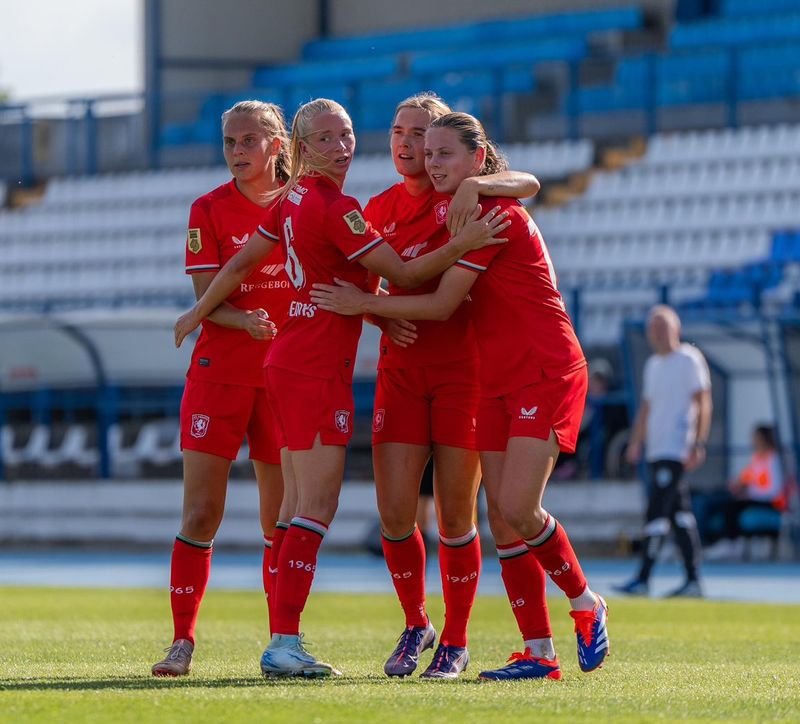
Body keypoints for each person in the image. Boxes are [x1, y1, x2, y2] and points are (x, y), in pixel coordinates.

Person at [173, 98, 511, 678]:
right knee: (315, 508)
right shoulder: (341, 205)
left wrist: (196, 310)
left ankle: (296, 638)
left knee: (293, 512)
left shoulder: (294, 200)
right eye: (327, 139)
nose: (342, 146)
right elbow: (400, 275)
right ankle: (283, 641)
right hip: (316, 367)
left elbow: (248, 262)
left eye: (348, 134)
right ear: (301, 147)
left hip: (291, 362)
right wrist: (465, 242)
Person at [311, 111, 610, 680]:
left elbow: (443, 303)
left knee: (510, 511)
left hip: (533, 370)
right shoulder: (416, 206)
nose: (427, 157)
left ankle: (582, 602)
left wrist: (366, 305)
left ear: (475, 157)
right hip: (489, 378)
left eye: (439, 149)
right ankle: (537, 653)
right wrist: (372, 312)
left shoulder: (485, 211)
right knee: (491, 518)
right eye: (415, 144)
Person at [365, 93, 541, 679]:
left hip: (464, 374)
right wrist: (378, 313)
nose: (407, 145)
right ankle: (417, 623)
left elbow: (525, 182)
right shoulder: (377, 207)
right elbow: (348, 285)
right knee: (394, 514)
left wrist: (474, 188)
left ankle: (457, 640)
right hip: (400, 371)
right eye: (398, 131)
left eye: (421, 135)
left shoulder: (469, 196)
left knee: (456, 515)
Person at [152, 101, 292, 677]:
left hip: (284, 379)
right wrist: (244, 321)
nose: (237, 152)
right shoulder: (207, 208)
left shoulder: (301, 204)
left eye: (249, 141)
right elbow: (209, 292)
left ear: (278, 145)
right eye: (230, 142)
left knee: (278, 521)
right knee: (202, 511)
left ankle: (282, 641)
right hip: (218, 374)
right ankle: (182, 640)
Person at [615, 305, 712, 598]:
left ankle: (643, 577)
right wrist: (636, 441)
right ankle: (693, 579)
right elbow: (646, 408)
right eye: (653, 328)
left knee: (656, 513)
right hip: (657, 449)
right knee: (680, 517)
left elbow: (703, 401)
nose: (657, 333)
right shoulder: (653, 365)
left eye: (663, 326)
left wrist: (698, 442)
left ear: (676, 329)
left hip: (677, 447)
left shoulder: (688, 359)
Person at [721, 424, 786, 541]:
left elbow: (775, 490)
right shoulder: (756, 458)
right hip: (755, 497)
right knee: (721, 500)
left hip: (769, 501)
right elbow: (748, 479)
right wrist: (739, 487)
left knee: (731, 507)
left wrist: (750, 495)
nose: (753, 441)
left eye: (757, 438)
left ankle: (733, 542)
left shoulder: (774, 459)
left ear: (765, 439)